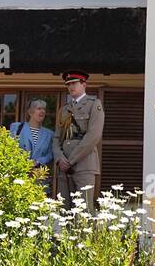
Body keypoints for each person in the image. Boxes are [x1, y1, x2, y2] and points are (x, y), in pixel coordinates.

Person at [52, 71, 104, 210]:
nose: (71, 86)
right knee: (65, 210)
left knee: (84, 211)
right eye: (68, 84)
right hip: (64, 167)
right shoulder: (64, 110)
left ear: (84, 84)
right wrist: (59, 158)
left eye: (74, 83)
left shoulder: (94, 105)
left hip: (84, 165)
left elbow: (93, 136)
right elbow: (57, 137)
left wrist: (71, 160)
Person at [9, 99, 54, 195]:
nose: (42, 111)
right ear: (30, 112)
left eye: (44, 109)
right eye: (39, 108)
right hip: (20, 174)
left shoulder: (49, 134)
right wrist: (24, 162)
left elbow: (50, 154)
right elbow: (10, 147)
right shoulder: (17, 128)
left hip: (38, 176)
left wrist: (39, 161)